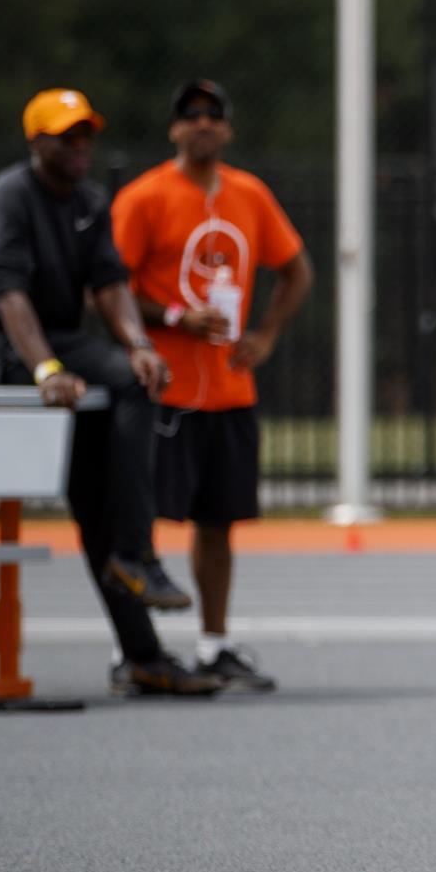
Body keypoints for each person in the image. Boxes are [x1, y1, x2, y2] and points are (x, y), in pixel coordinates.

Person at [0, 88, 220, 696]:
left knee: (132, 392)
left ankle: (139, 618)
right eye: (67, 136)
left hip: (62, 344)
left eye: (87, 135)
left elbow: (110, 285)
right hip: (6, 347)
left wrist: (139, 344)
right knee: (110, 427)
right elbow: (9, 297)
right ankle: (135, 562)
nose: (81, 146)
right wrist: (46, 370)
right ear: (36, 142)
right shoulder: (10, 197)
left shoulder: (90, 202)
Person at [110, 80, 313, 692]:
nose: (202, 124)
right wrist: (175, 318)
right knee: (138, 525)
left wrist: (267, 334)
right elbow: (110, 289)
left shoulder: (249, 194)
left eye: (213, 115)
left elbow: (296, 269)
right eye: (190, 115)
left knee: (219, 522)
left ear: (227, 128)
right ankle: (135, 651)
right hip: (164, 388)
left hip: (227, 388)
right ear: (174, 128)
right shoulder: (144, 197)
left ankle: (214, 644)